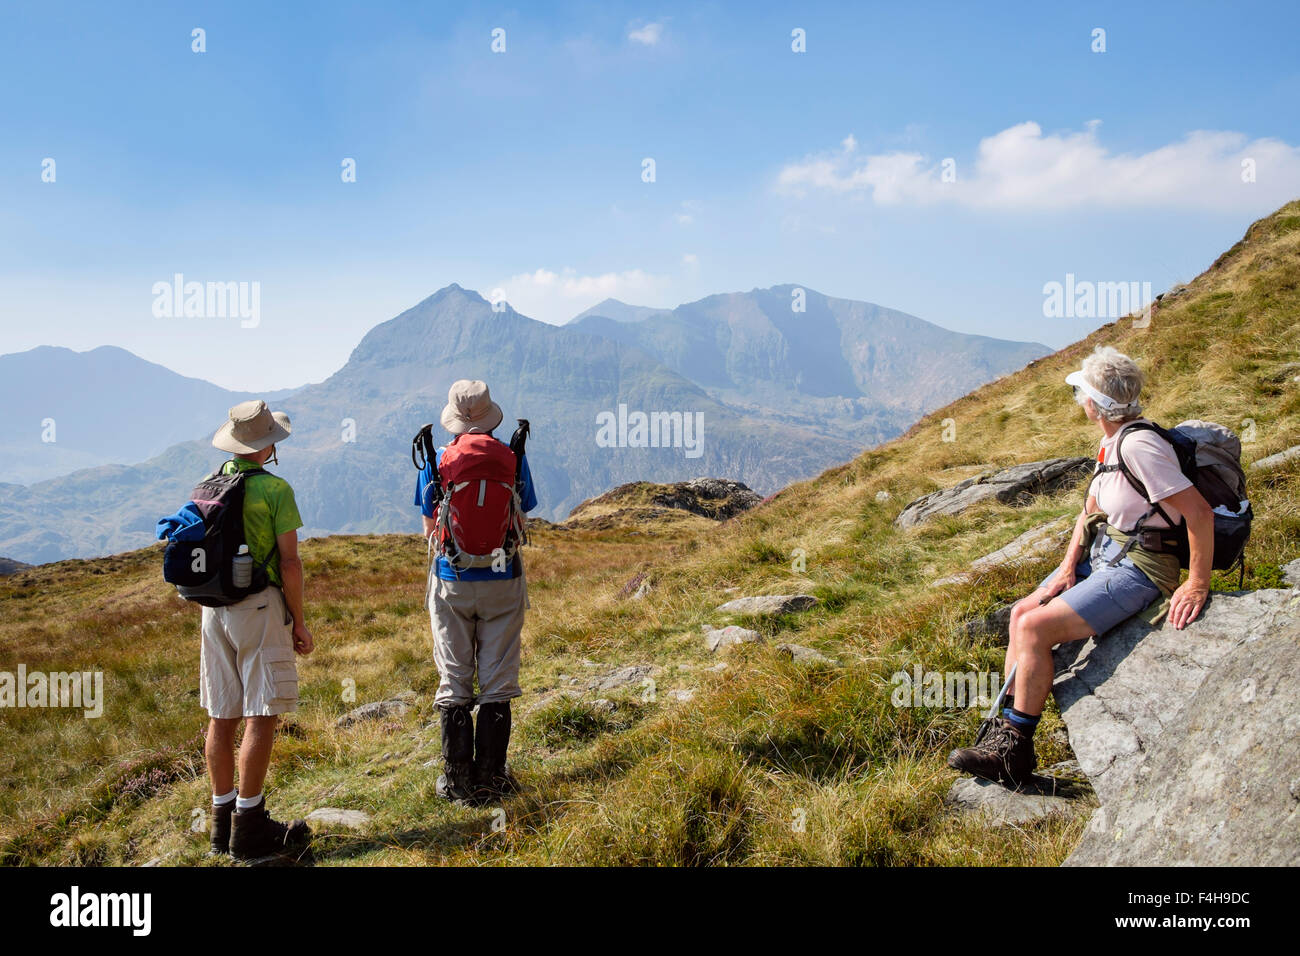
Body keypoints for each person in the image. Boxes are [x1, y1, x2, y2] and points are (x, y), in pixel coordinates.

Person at [947, 346, 1215, 788]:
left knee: (1035, 629)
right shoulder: (1110, 443)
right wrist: (1068, 567)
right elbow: (1087, 514)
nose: (1079, 401)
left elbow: (1199, 513)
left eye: (1082, 393)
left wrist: (1197, 583)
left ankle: (1015, 748)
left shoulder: (1141, 445)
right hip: (1102, 556)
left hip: (1141, 567)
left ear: (1098, 404)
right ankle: (1001, 736)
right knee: (1020, 613)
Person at [200, 400, 315, 860]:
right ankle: (249, 826)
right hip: (258, 607)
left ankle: (220, 823)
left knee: (221, 717)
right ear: (267, 445)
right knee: (261, 714)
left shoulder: (210, 484)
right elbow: (289, 561)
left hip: (212, 612)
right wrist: (299, 621)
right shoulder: (274, 490)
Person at [414, 380, 538, 804]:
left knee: (454, 678)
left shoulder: (437, 459)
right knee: (499, 680)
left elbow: (432, 527)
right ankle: (492, 779)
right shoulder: (511, 456)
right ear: (489, 416)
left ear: (454, 420)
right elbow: (523, 512)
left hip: (452, 581)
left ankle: (456, 782)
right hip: (504, 580)